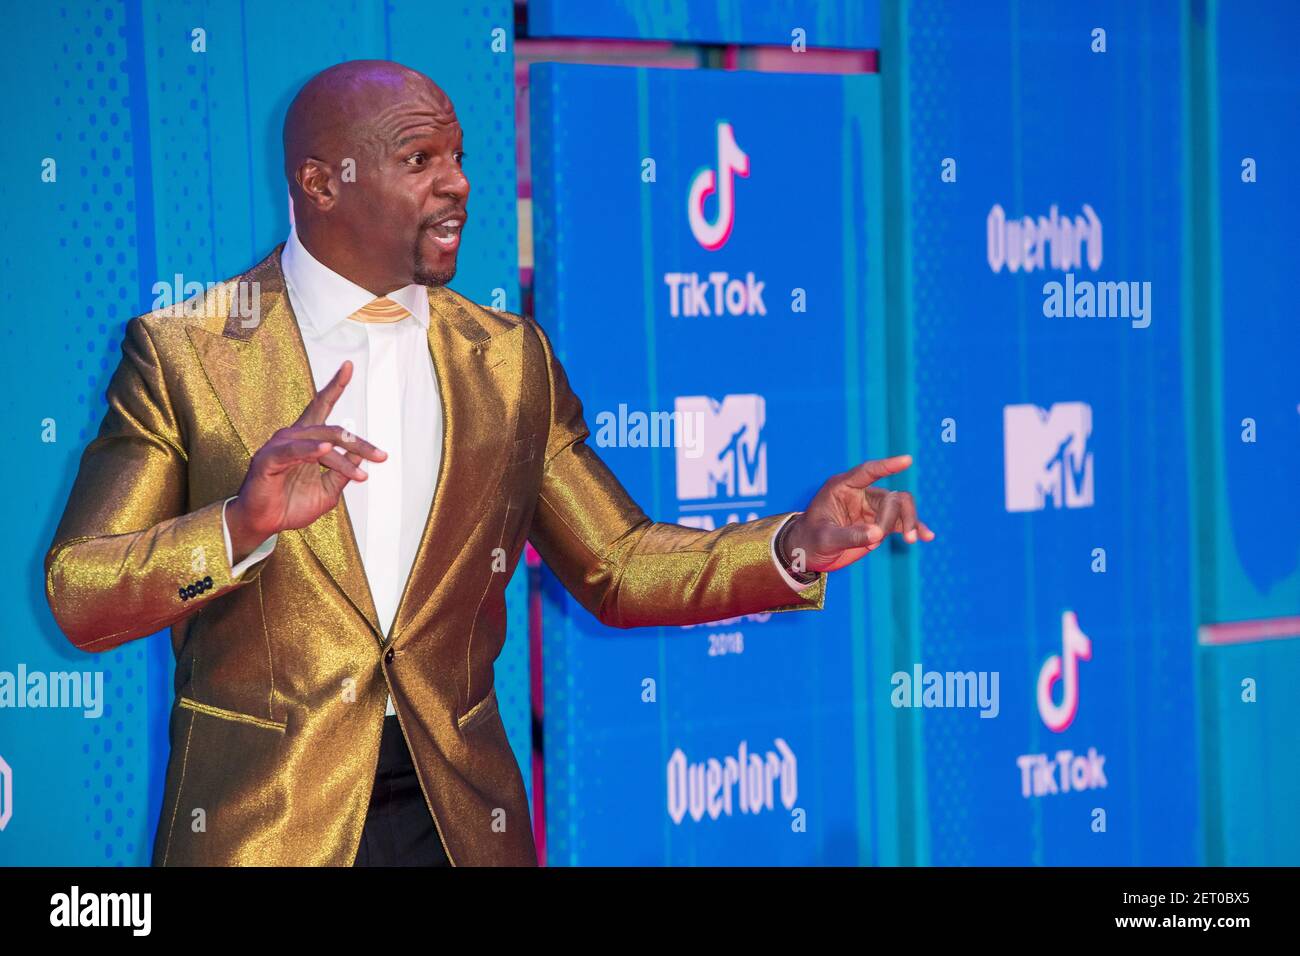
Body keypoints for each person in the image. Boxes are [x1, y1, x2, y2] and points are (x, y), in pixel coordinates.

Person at [43, 60, 934, 867]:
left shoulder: (511, 361)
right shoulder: (188, 352)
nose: (460, 184)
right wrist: (241, 527)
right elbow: (82, 594)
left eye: (459, 156)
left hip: (462, 826)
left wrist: (796, 546)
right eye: (419, 159)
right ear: (320, 182)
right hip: (261, 831)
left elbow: (618, 565)